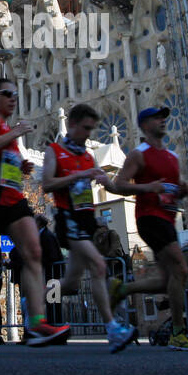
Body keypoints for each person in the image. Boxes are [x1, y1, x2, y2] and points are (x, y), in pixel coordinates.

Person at [0, 77, 71, 346]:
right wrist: (15, 132)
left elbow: (2, 158)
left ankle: (36, 324)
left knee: (33, 251)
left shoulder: (4, 127)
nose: (14, 98)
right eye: (7, 93)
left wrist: (21, 168)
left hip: (12, 197)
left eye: (16, 94)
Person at [108, 107, 188, 351]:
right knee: (181, 270)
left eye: (163, 118)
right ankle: (178, 332)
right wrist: (147, 188)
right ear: (143, 125)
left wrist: (183, 190)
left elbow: (174, 187)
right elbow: (118, 185)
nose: (162, 121)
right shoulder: (138, 154)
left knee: (167, 280)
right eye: (156, 118)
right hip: (149, 217)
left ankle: (123, 288)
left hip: (168, 218)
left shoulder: (173, 157)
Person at [42, 102, 134, 351]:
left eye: (92, 129)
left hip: (86, 221)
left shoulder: (88, 156)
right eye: (85, 128)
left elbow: (106, 188)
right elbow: (47, 184)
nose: (88, 134)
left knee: (70, 284)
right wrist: (77, 177)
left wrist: (107, 180)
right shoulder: (54, 151)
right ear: (71, 125)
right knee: (98, 265)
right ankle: (113, 328)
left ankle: (37, 302)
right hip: (68, 219)